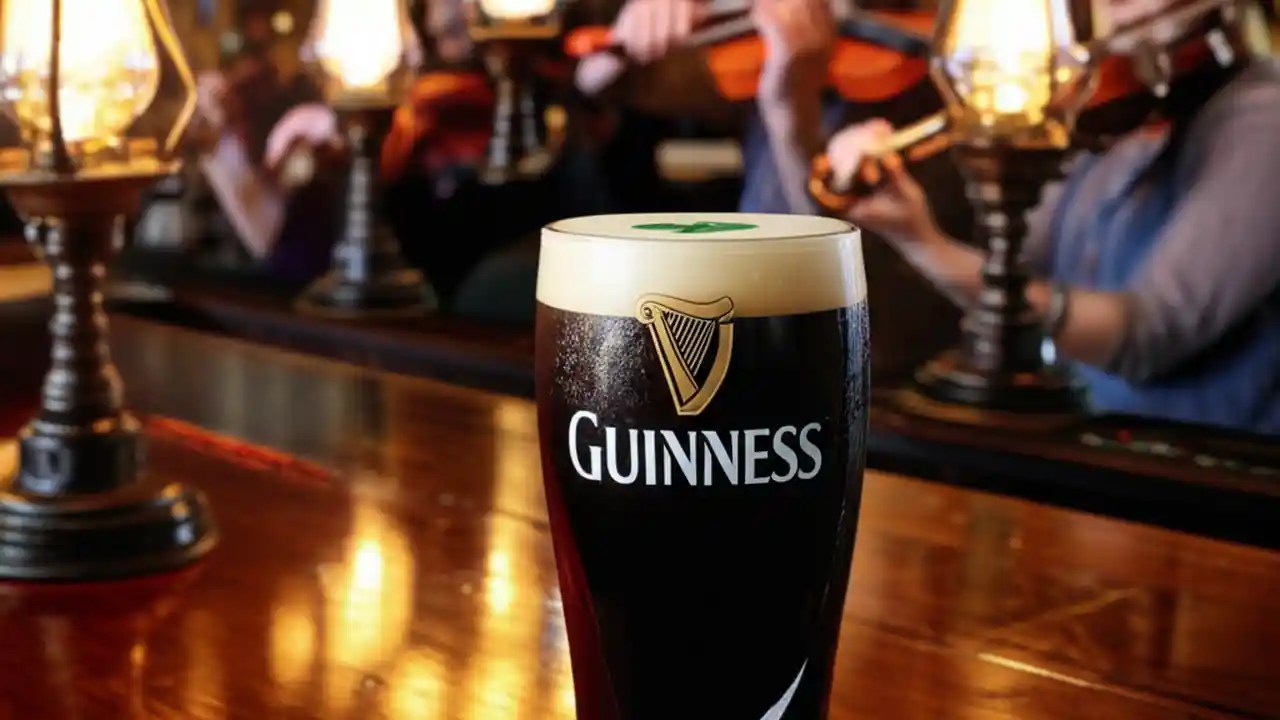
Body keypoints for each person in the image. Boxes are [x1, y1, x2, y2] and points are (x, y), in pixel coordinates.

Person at [761, 0, 1280, 434]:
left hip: (1196, 477)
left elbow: (1142, 336)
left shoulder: (1264, 117)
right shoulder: (1119, 106)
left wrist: (927, 246)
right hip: (1074, 445)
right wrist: (796, 116)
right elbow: (1005, 279)